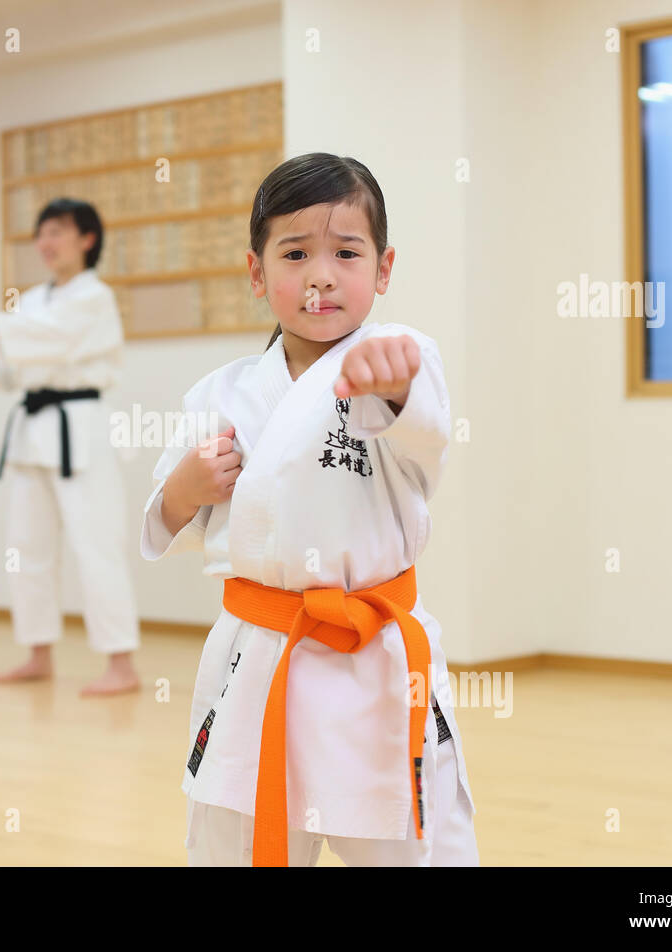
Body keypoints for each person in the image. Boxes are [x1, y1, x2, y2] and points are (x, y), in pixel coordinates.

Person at [140, 153, 478, 866]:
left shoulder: (401, 358)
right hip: (260, 657)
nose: (321, 274)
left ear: (382, 271)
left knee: (409, 842)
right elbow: (163, 519)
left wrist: (390, 391)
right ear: (258, 275)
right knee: (236, 840)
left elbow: (426, 431)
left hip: (377, 658)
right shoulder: (220, 395)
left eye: (345, 253)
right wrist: (188, 488)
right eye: (296, 254)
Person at [0, 198, 140, 696]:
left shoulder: (93, 296)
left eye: (58, 231)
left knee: (97, 545)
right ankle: (37, 652)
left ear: (86, 240)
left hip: (79, 427)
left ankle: (121, 663)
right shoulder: (31, 300)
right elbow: (12, 371)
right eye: (42, 233)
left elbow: (52, 338)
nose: (47, 242)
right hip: (33, 431)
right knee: (26, 546)